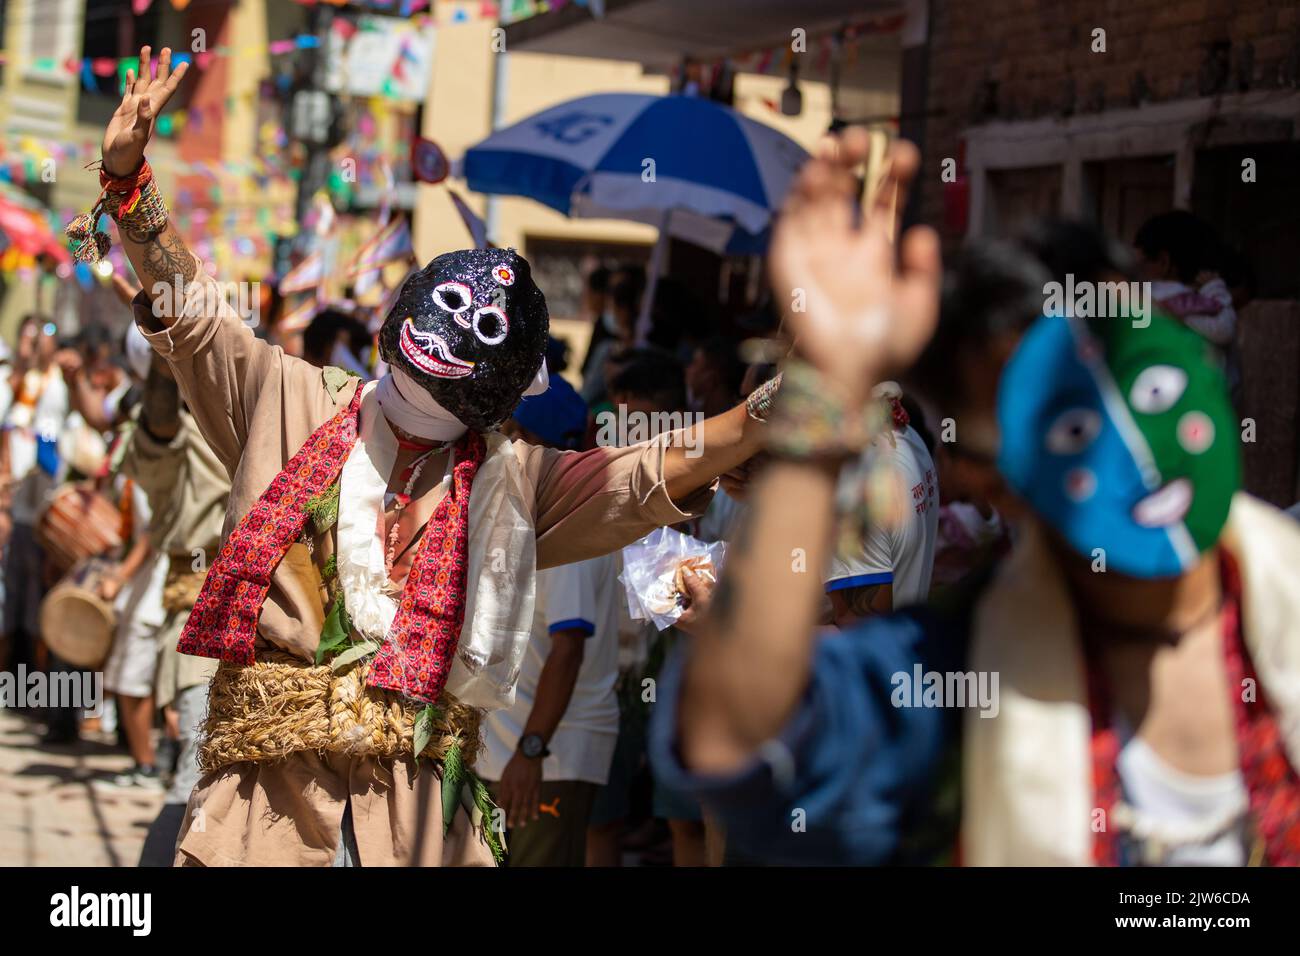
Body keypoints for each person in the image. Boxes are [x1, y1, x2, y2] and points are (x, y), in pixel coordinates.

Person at [84, 47, 766, 867]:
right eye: (448, 308)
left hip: (410, 814)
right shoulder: (288, 398)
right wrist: (129, 185)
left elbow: (652, 470)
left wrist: (769, 411)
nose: (448, 342)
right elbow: (190, 314)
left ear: (504, 390)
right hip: (264, 806)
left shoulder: (513, 479)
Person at [652, 131, 1300, 867]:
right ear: (996, 481)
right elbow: (735, 742)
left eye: (1128, 376)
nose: (1126, 439)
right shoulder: (959, 675)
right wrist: (825, 385)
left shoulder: (1283, 608)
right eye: (1063, 420)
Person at [482, 379, 622, 866]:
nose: (496, 439)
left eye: (508, 429)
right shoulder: (527, 510)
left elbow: (569, 647)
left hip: (547, 757)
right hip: (514, 752)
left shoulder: (569, 523)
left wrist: (531, 751)